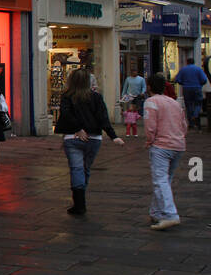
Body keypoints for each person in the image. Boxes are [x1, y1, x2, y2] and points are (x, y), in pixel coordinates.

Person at [54, 68, 124, 215]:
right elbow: (103, 117)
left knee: (76, 168)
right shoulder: (96, 97)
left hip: (72, 138)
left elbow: (66, 114)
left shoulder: (67, 96)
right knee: (85, 168)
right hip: (93, 138)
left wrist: (78, 129)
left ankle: (79, 203)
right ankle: (80, 200)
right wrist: (113, 136)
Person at [143, 72, 187, 230]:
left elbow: (150, 126)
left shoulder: (151, 102)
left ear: (149, 87)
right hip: (178, 144)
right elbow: (184, 124)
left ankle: (170, 214)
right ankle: (157, 212)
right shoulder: (174, 103)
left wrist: (149, 141)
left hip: (161, 145)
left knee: (160, 180)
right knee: (165, 180)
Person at [174, 56, 210, 130]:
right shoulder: (198, 69)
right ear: (194, 62)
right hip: (197, 87)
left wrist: (183, 83)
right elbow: (204, 79)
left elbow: (177, 79)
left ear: (187, 62)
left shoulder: (183, 69)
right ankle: (196, 115)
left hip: (186, 88)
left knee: (189, 104)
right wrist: (200, 84)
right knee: (198, 103)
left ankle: (191, 122)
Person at [120, 64, 147, 138]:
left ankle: (134, 121)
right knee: (129, 109)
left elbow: (144, 86)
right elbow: (125, 87)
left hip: (137, 96)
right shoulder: (128, 79)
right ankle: (128, 121)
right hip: (129, 96)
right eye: (133, 72)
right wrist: (123, 95)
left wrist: (142, 92)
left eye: (135, 71)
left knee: (136, 109)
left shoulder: (141, 79)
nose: (134, 73)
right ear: (131, 72)